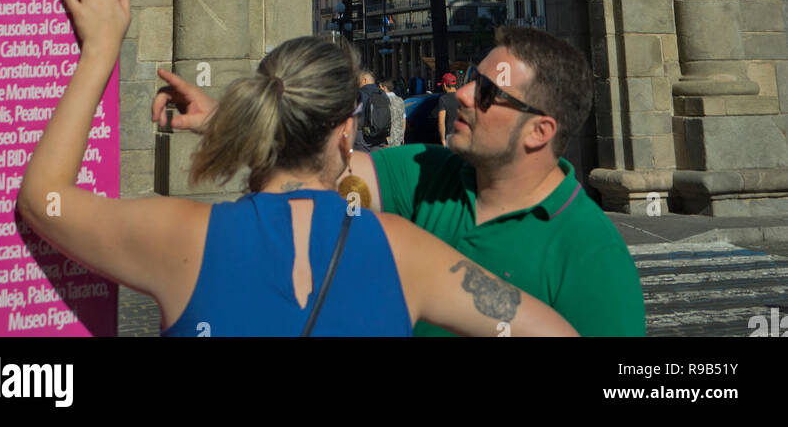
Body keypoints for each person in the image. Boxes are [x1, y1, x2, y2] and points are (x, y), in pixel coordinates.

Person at [16, 0, 577, 339]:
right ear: (345, 131)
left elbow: (44, 199)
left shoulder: (181, 237)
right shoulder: (407, 252)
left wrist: (100, 47)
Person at [165, 23, 645, 338]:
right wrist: (231, 119)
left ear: (540, 132)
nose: (461, 94)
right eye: (472, 79)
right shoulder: (425, 171)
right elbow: (320, 169)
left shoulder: (593, 255)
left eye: (489, 93)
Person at [353, 68, 391, 153]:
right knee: (376, 162)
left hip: (362, 136)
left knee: (362, 163)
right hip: (380, 134)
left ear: (364, 80)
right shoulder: (382, 93)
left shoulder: (360, 93)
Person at [380, 76, 406, 147]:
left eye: (380, 87)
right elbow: (403, 120)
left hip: (386, 139)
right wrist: (402, 136)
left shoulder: (381, 101)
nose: (379, 90)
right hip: (398, 138)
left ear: (384, 88)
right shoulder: (400, 100)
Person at [436, 72, 459, 147]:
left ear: (445, 85)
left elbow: (441, 122)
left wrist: (443, 140)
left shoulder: (443, 99)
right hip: (463, 135)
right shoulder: (463, 95)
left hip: (450, 137)